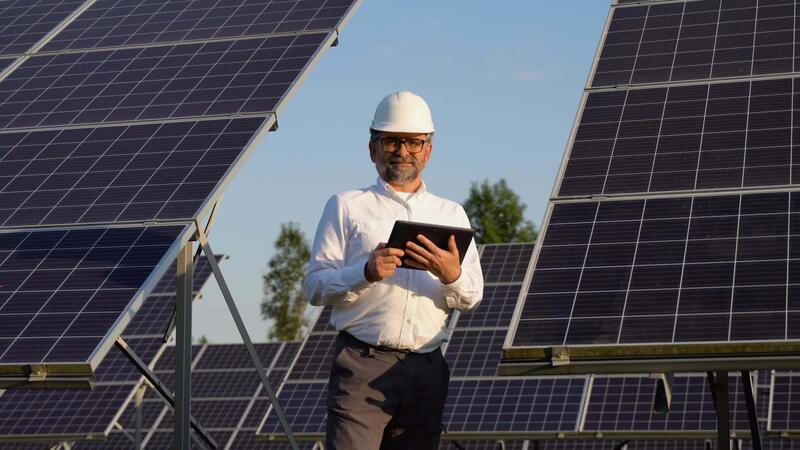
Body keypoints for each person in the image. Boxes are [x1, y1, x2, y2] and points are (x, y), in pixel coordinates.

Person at [304, 91, 484, 450]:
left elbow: (472, 295)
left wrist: (451, 274)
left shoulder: (452, 214)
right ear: (373, 149)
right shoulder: (345, 206)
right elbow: (315, 286)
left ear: (428, 151)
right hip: (362, 364)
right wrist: (365, 272)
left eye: (414, 142)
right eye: (391, 141)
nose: (403, 151)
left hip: (427, 368)